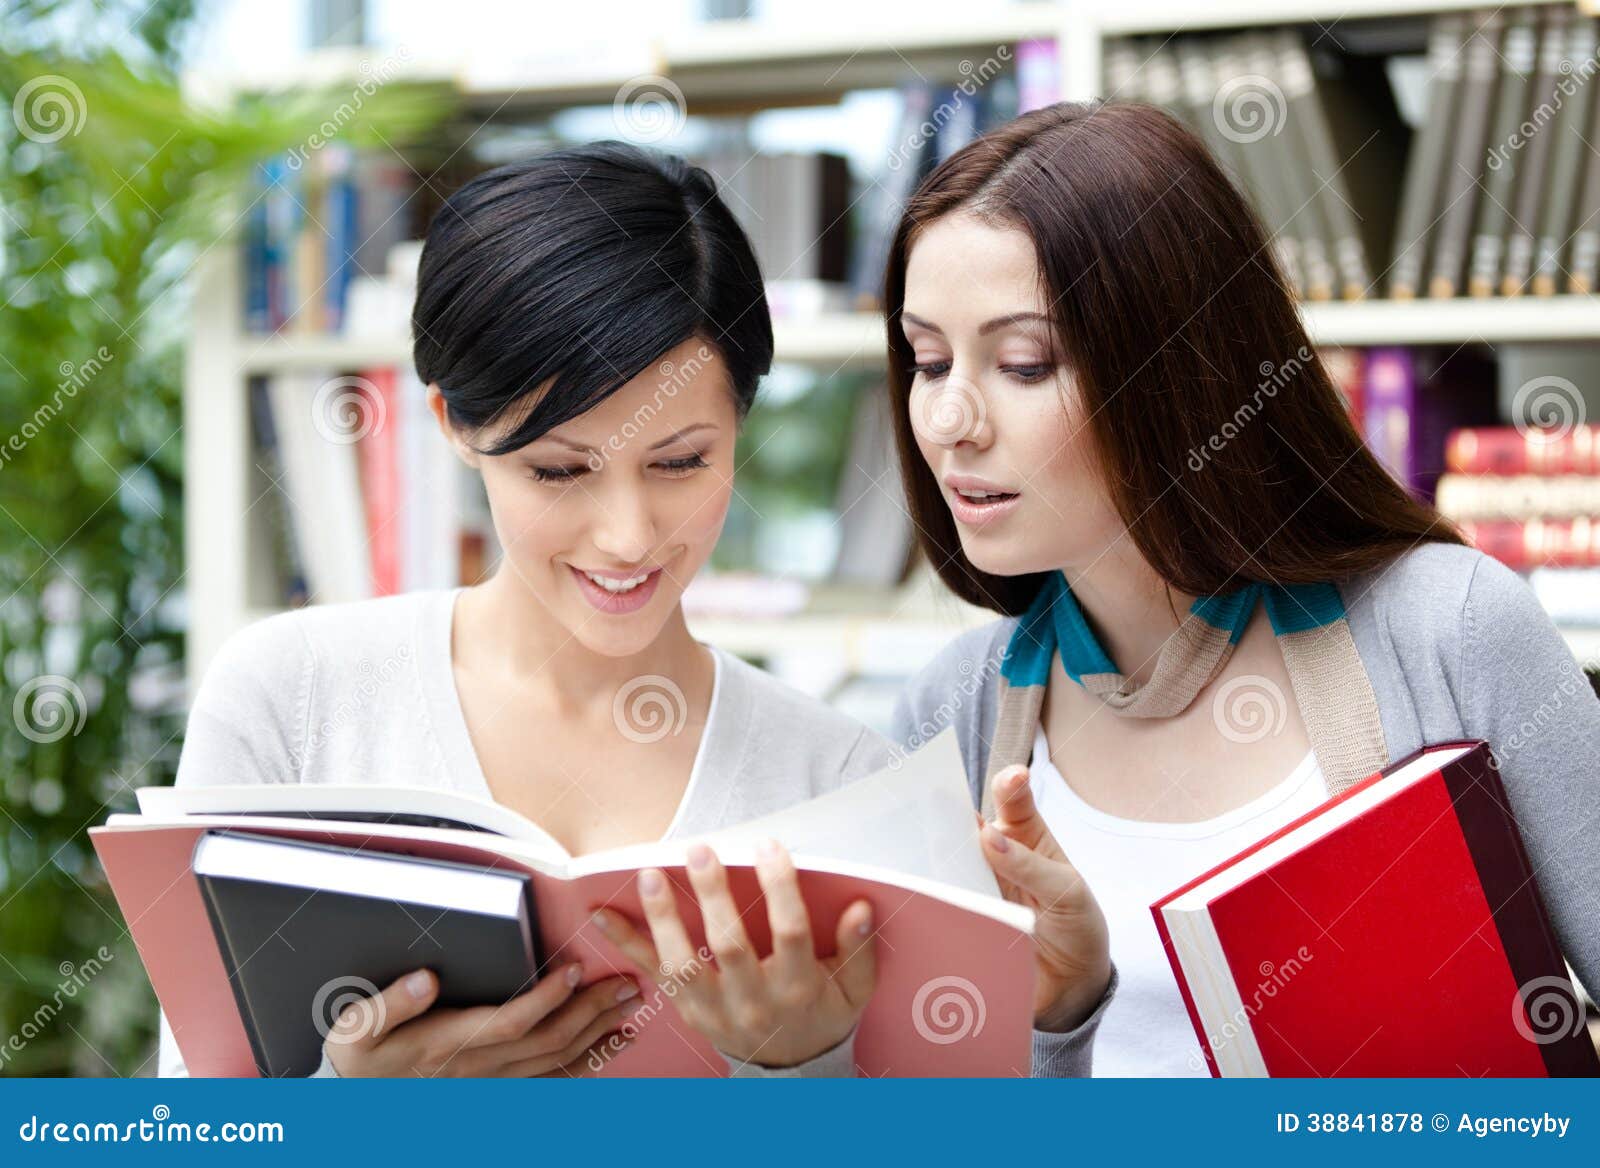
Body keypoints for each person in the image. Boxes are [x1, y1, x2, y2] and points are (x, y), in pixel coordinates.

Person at [883, 100, 1600, 1076]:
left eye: (1023, 363)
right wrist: (1058, 1022)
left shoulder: (1452, 629)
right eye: (928, 360)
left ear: (1180, 372)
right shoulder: (952, 712)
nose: (948, 419)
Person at [159, 142, 893, 1078]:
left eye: (680, 462)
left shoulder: (841, 782)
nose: (627, 536)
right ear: (453, 428)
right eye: (557, 470)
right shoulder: (290, 701)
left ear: (740, 424)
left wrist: (803, 1068)